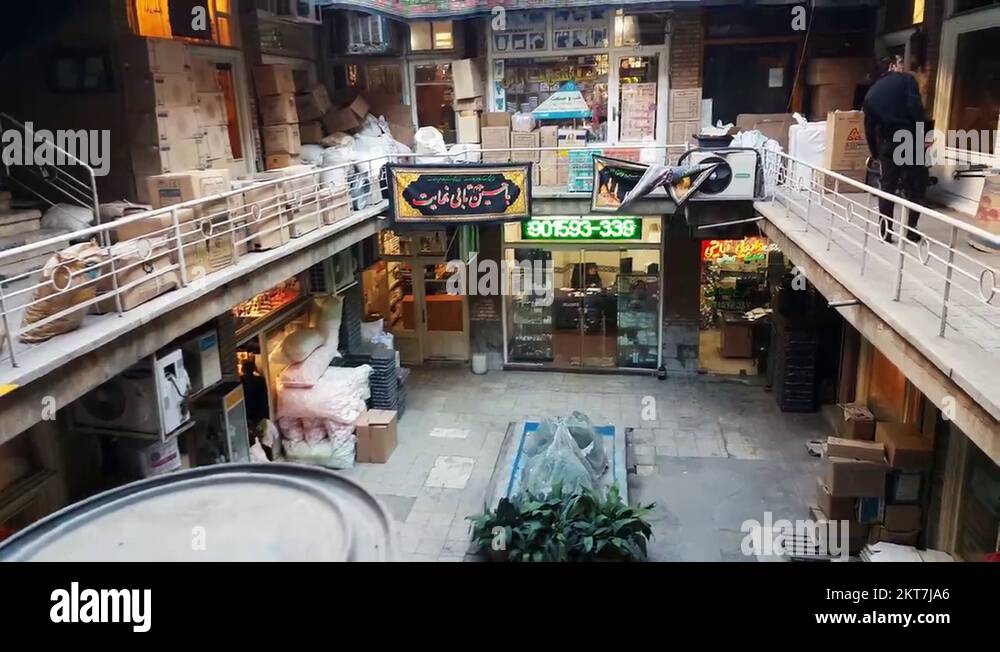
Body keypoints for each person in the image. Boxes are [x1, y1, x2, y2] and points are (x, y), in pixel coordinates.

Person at [862, 55, 930, 244]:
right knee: (916, 186)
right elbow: (916, 109)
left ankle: (886, 229)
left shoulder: (871, 94)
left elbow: (869, 127)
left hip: (888, 143)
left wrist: (875, 152)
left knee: (887, 187)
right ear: (892, 66)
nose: (903, 67)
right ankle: (910, 230)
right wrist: (922, 135)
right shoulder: (907, 80)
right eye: (900, 63)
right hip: (910, 139)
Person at [240, 356, 269, 426]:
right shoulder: (260, 380)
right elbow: (264, 397)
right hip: (259, 411)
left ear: (243, 369)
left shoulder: (240, 381)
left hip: (246, 411)